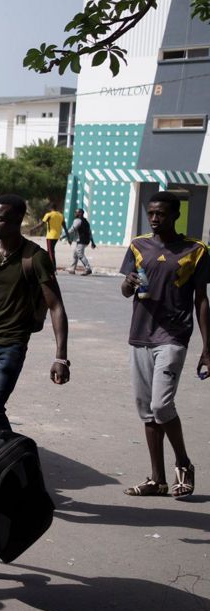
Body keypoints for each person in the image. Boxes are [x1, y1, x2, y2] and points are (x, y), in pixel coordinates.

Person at [119, 191, 208, 500]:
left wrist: (207, 348)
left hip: (173, 337)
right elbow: (125, 290)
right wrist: (128, 284)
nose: (155, 218)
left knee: (161, 405)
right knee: (147, 411)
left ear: (175, 216)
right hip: (140, 335)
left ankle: (183, 464)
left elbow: (201, 300)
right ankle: (157, 480)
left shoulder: (195, 251)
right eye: (151, 213)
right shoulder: (138, 246)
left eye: (161, 214)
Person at [0, 194, 71, 433]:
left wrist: (60, 358)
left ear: (17, 221)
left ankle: (15, 459)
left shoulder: (35, 258)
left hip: (10, 345)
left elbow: (56, 306)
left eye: (0, 219)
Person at [67, 208, 95, 276]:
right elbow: (90, 232)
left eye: (76, 212)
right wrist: (92, 242)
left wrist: (65, 234)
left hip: (81, 240)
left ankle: (88, 269)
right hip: (86, 240)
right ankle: (72, 269)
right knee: (75, 253)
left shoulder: (77, 220)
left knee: (80, 254)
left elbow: (72, 229)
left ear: (80, 213)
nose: (74, 214)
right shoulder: (86, 221)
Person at [40, 201, 66, 269]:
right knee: (51, 250)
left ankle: (53, 267)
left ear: (50, 208)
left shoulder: (49, 215)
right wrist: (68, 236)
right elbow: (65, 226)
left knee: (50, 251)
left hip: (50, 236)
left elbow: (41, 224)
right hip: (57, 236)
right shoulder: (61, 215)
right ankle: (50, 266)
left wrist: (32, 229)